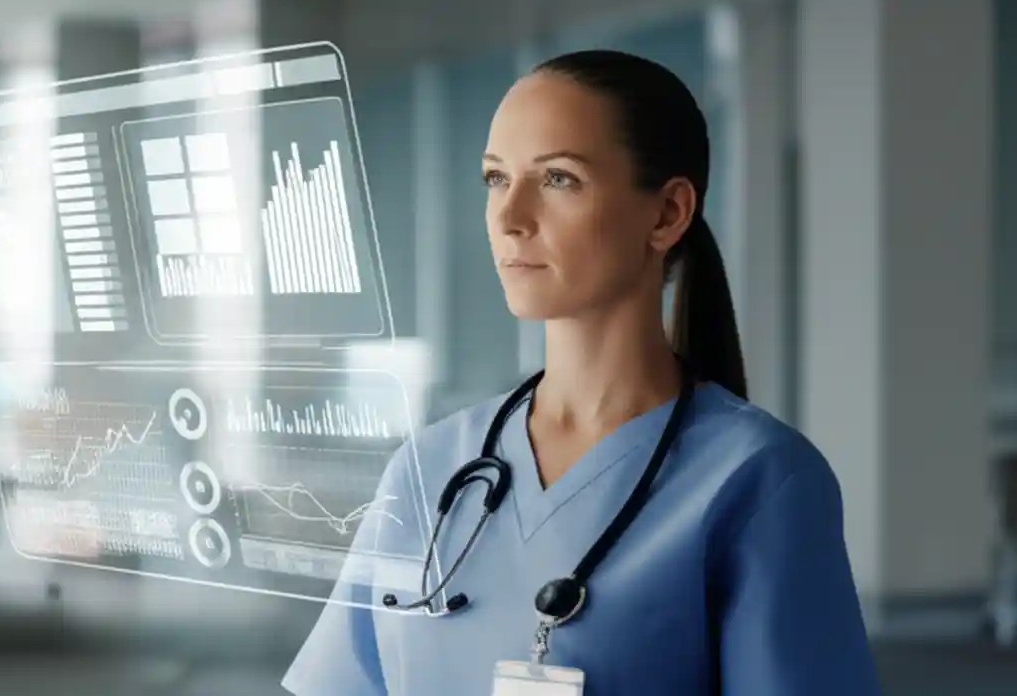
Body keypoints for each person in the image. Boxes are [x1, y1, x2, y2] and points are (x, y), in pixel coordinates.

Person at [281, 49, 881, 695]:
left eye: (558, 179)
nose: (510, 219)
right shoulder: (430, 468)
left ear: (667, 213)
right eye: (494, 179)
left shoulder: (756, 478)